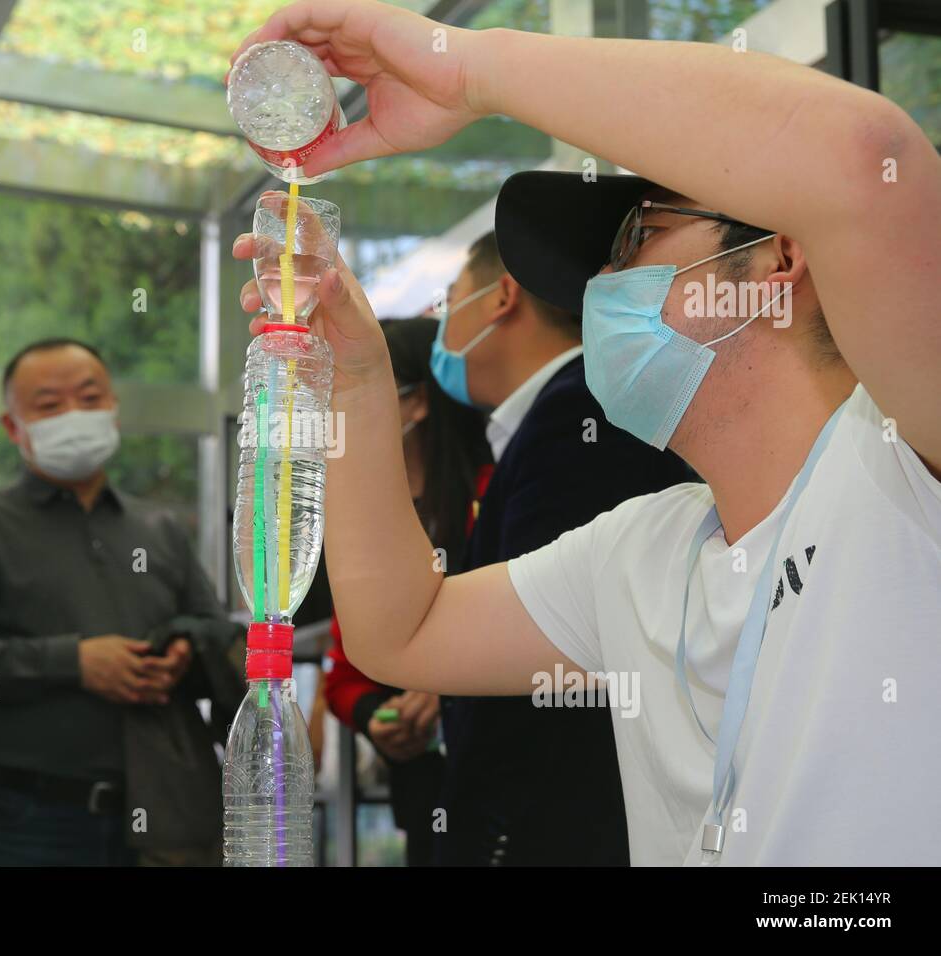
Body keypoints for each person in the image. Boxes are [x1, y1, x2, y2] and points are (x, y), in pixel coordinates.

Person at [231, 0, 941, 865]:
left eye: (639, 234)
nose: (604, 287)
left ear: (779, 259)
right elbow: (399, 632)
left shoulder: (902, 457)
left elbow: (866, 159)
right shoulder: (646, 550)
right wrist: (359, 377)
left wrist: (471, 70)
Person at [0, 337, 233, 867]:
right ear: (14, 427)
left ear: (113, 407)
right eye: (49, 405)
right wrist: (75, 663)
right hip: (25, 816)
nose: (75, 415)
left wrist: (184, 652)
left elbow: (212, 629)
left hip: (161, 812)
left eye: (89, 398)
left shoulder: (158, 528)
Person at [432, 233, 694, 866]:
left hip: (550, 828)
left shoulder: (578, 413)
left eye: (450, 300)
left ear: (501, 296)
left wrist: (495, 831)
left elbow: (540, 656)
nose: (441, 324)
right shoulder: (553, 417)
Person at [323, 317, 492, 866]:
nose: (330, 414)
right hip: (424, 800)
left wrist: (447, 690)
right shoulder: (364, 523)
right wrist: (378, 717)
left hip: (509, 796)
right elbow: (342, 675)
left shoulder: (496, 497)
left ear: (416, 403)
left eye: (345, 390)